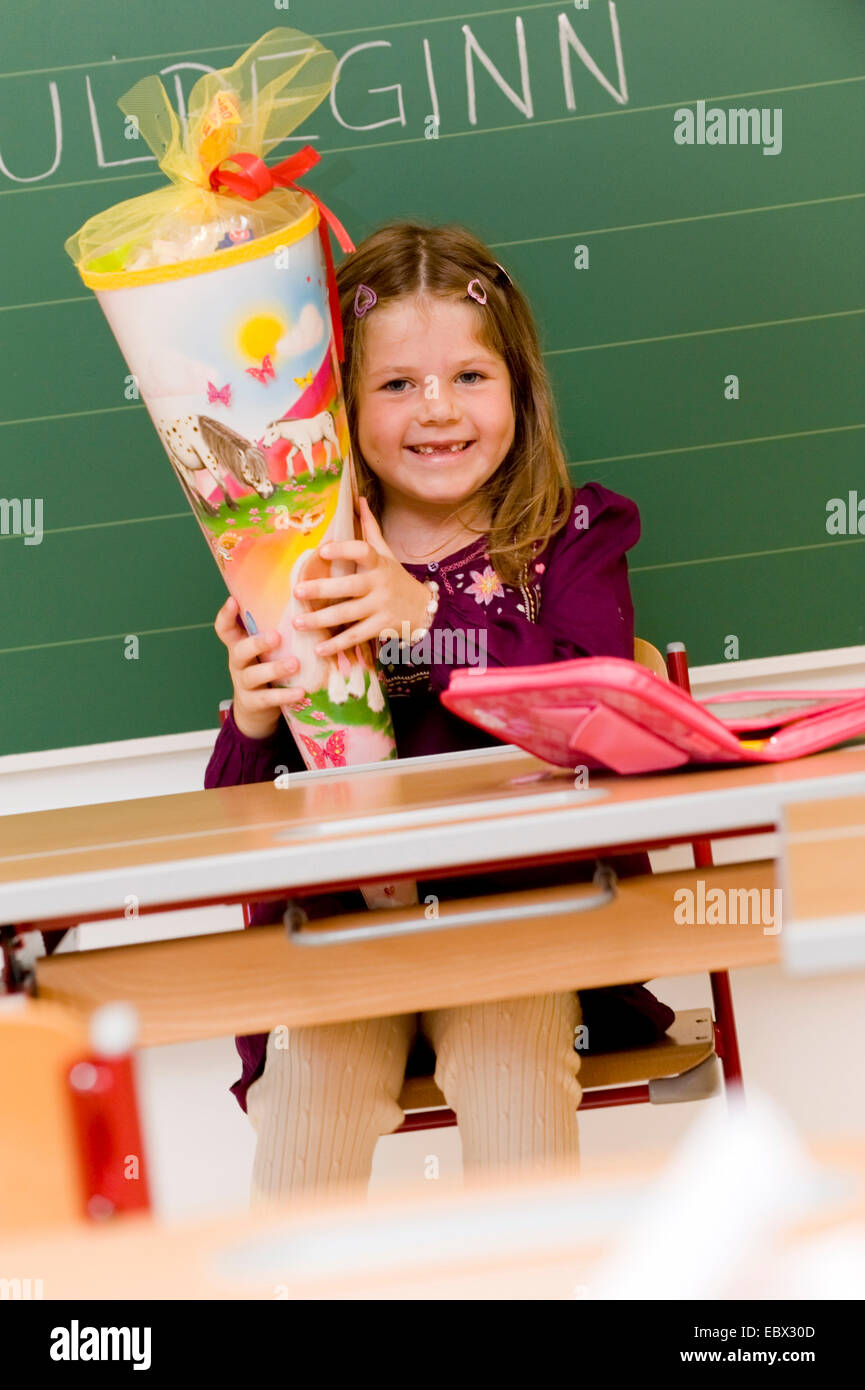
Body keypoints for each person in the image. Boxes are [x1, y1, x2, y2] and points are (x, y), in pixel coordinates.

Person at [205, 221, 674, 1205]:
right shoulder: (298, 570)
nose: (437, 410)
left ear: (519, 389)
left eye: (469, 377)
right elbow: (235, 824)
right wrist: (251, 719)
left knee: (509, 1066)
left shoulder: (574, 540)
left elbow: (592, 702)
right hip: (348, 939)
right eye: (396, 384)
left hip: (523, 924)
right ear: (339, 406)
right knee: (309, 1103)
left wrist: (424, 614)